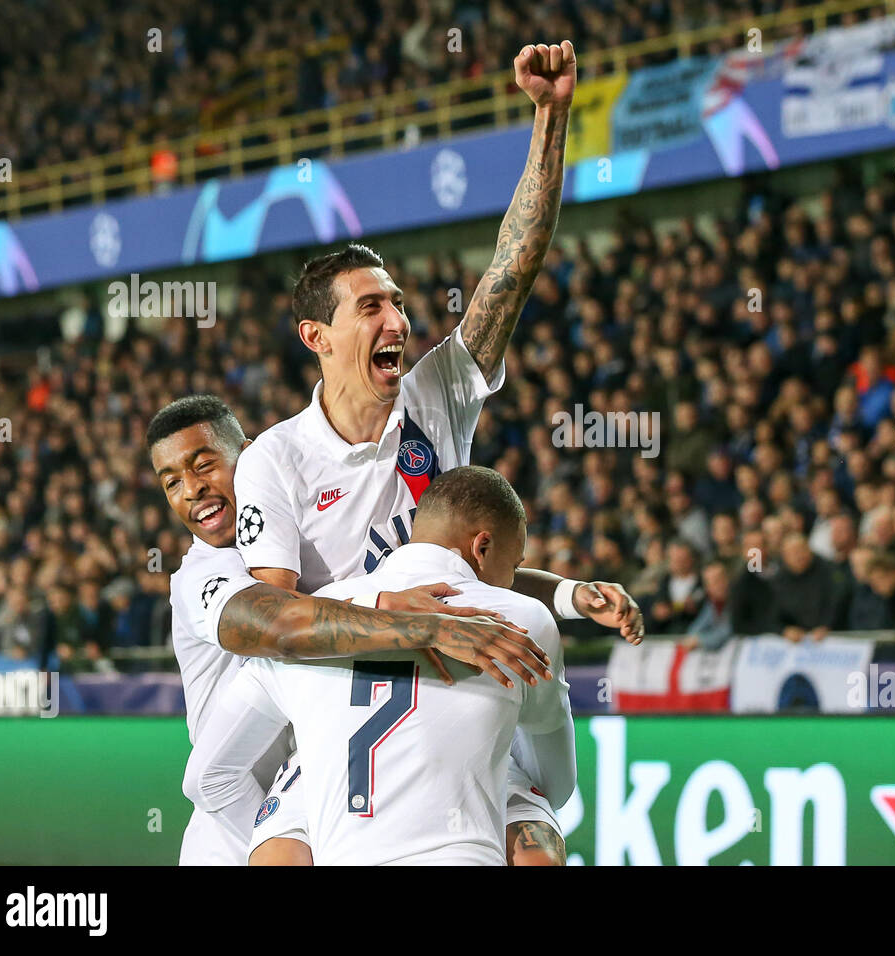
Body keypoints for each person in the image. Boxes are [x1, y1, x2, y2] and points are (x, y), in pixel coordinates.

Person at [231, 42, 639, 865]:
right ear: (317, 335)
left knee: (533, 851)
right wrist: (409, 626)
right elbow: (260, 620)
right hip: (348, 701)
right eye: (372, 306)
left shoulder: (434, 396)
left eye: (401, 304)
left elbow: (512, 269)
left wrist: (551, 117)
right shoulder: (275, 461)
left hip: (460, 688)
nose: (398, 322)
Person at [149, 396, 549, 865]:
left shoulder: (302, 549)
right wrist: (400, 617)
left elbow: (470, 576)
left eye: (204, 466)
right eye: (172, 482)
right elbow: (282, 626)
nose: (191, 489)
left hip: (322, 807)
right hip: (240, 828)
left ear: (250, 456)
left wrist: (566, 595)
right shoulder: (200, 577)